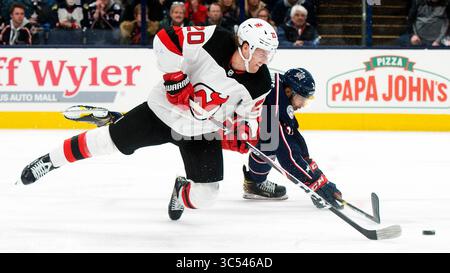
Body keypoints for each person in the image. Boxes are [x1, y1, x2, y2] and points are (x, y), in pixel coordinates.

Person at [18, 18, 279, 222]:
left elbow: (249, 116)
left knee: (206, 196)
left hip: (201, 132)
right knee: (105, 141)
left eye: (269, 53)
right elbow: (166, 39)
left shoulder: (261, 82)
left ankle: (179, 191)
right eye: (263, 52)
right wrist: (175, 80)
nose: (266, 59)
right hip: (162, 112)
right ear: (245, 46)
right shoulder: (216, 39)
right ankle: (50, 161)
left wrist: (243, 130)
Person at [241, 68, 342, 208]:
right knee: (271, 141)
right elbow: (288, 158)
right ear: (289, 91)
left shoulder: (280, 93)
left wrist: (318, 176)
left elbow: (293, 136)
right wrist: (315, 184)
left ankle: (254, 183)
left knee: (268, 143)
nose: (301, 105)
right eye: (301, 99)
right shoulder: (273, 105)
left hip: (236, 115)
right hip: (217, 117)